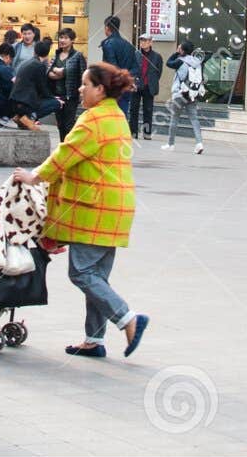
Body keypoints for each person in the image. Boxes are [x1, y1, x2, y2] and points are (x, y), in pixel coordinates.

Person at [12, 61, 147, 359]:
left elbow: (65, 154)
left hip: (95, 207)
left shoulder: (92, 119)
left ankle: (128, 319)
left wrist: (35, 176)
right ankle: (93, 340)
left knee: (82, 273)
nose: (80, 88)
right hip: (117, 207)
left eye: (86, 84)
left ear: (100, 89)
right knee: (97, 275)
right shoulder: (116, 116)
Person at [162, 39, 207, 154]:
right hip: (192, 94)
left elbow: (168, 62)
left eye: (180, 48)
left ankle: (170, 144)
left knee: (174, 119)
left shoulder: (179, 61)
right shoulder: (198, 62)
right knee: (194, 119)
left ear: (182, 50)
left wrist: (177, 53)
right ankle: (199, 143)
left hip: (179, 94)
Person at [99, 16, 141, 133]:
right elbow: (136, 68)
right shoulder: (128, 45)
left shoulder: (108, 44)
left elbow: (112, 67)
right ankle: (121, 137)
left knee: (110, 115)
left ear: (107, 28)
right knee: (122, 113)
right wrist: (126, 78)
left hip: (113, 86)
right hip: (126, 86)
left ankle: (113, 138)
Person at [9, 38, 59, 130]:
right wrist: (53, 97)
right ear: (47, 54)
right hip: (25, 103)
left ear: (35, 51)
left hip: (15, 102)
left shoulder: (27, 63)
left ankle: (21, 118)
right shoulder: (39, 65)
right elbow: (42, 87)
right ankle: (29, 117)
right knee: (56, 104)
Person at [49, 27, 87, 141]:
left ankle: (70, 148)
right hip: (56, 94)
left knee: (68, 125)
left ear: (72, 40)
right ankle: (62, 146)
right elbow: (48, 71)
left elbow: (83, 74)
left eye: (66, 38)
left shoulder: (77, 56)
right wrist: (56, 73)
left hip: (71, 95)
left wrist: (63, 71)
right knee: (60, 125)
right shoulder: (56, 55)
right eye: (61, 37)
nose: (62, 40)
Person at [134, 35, 163, 139]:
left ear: (151, 42)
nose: (142, 43)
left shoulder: (157, 56)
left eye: (145, 41)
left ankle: (147, 133)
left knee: (148, 110)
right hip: (136, 86)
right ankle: (133, 133)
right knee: (134, 110)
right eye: (141, 40)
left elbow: (159, 72)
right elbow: (132, 69)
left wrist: (152, 82)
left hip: (148, 87)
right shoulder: (135, 54)